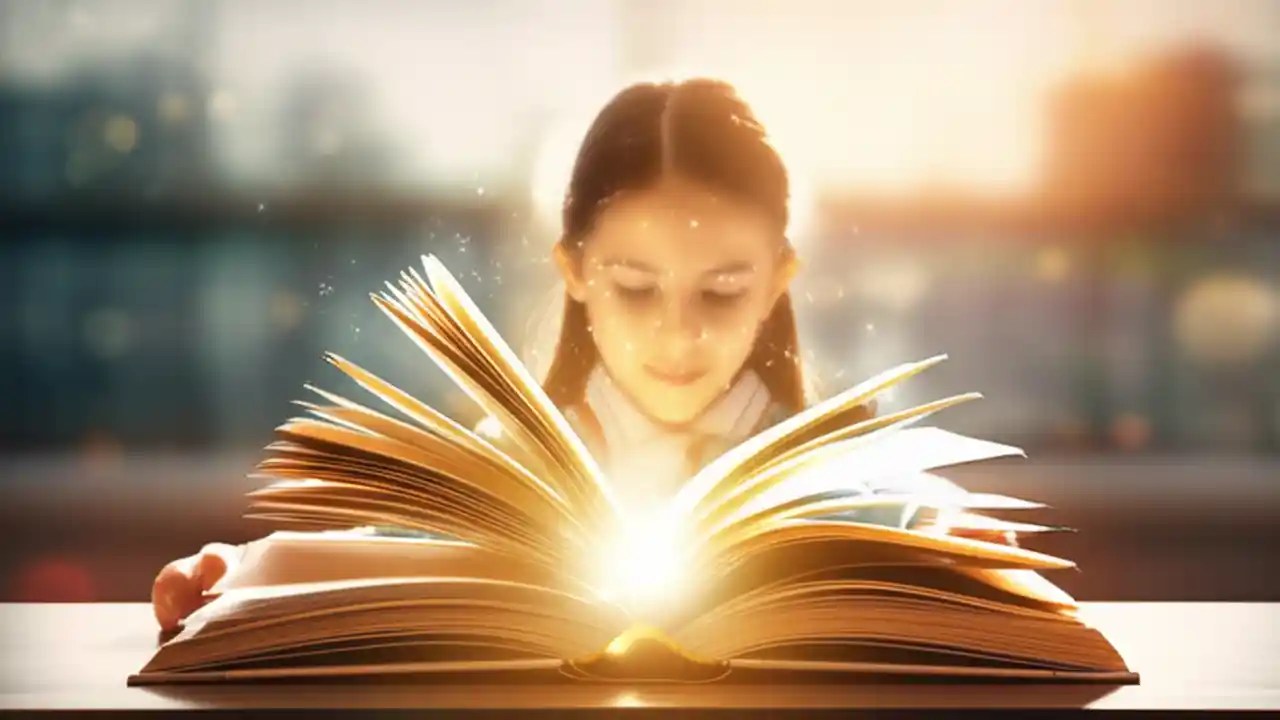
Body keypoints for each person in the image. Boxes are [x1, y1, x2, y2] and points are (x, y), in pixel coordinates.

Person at [153, 77, 871, 631]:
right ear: (576, 273)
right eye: (635, 289)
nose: (678, 334)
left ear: (778, 281)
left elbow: (923, 544)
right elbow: (381, 556)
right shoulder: (508, 468)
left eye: (721, 292)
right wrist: (239, 574)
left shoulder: (842, 474)